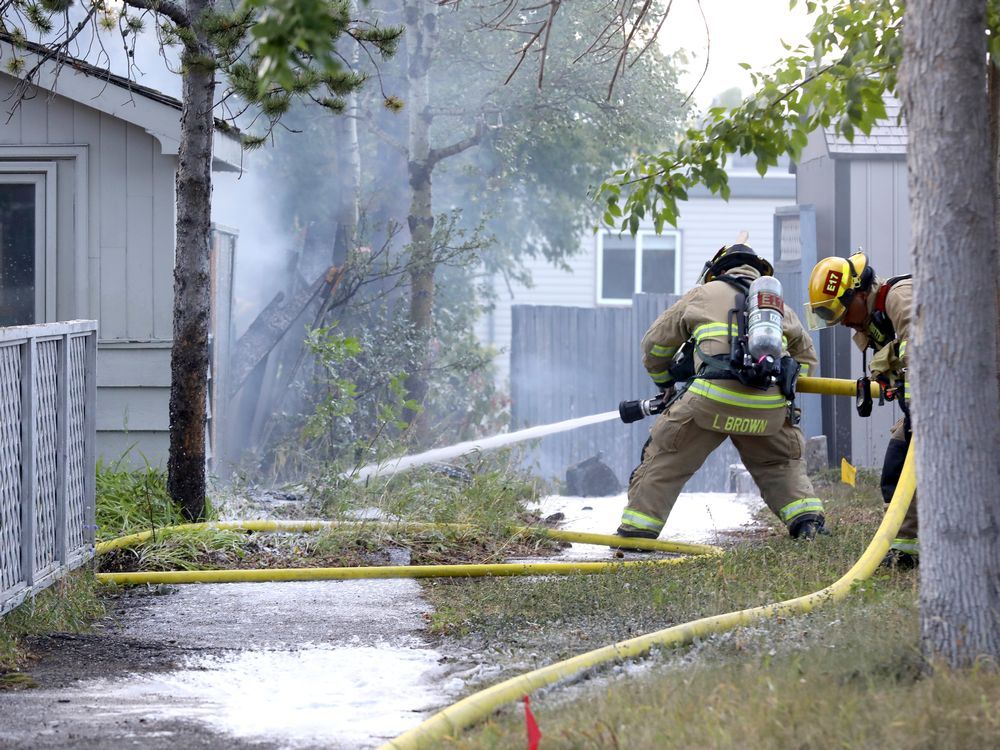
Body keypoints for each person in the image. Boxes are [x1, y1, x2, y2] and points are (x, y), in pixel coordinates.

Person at [615, 241, 825, 548]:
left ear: (716, 271)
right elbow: (806, 359)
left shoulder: (701, 294)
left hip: (710, 399)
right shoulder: (777, 307)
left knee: (667, 458)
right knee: (779, 464)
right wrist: (785, 396)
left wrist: (665, 383)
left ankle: (637, 532)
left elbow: (654, 346)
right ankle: (808, 523)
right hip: (767, 406)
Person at [804, 252, 915, 568]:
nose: (840, 320)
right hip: (930, 406)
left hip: (959, 400)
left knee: (907, 461)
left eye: (839, 310)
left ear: (860, 293)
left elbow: (921, 349)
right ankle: (906, 550)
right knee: (897, 463)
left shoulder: (899, 297)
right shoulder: (873, 321)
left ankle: (912, 548)